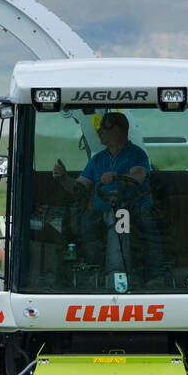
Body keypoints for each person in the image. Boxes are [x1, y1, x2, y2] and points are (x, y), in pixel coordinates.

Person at [52, 112, 169, 286]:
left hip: (134, 210)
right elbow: (80, 187)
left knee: (147, 226)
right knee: (85, 223)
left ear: (119, 131)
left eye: (103, 128)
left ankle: (156, 275)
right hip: (102, 213)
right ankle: (95, 272)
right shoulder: (97, 159)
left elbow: (138, 175)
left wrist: (117, 177)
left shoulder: (137, 155)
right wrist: (63, 178)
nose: (99, 132)